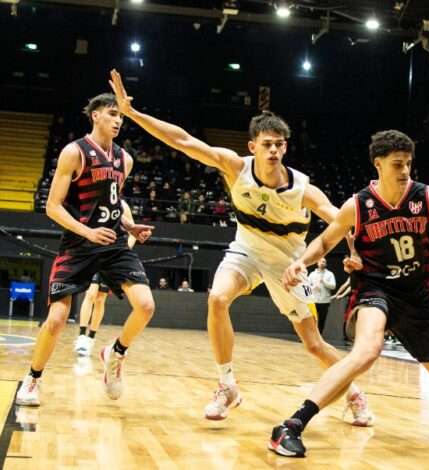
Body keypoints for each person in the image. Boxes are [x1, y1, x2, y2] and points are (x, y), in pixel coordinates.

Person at [109, 69, 373, 425]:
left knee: (313, 345)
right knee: (217, 299)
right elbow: (183, 141)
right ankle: (226, 385)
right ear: (253, 147)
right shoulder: (236, 168)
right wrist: (133, 114)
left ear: (286, 147)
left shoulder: (303, 189)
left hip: (288, 265)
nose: (274, 150)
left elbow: (339, 219)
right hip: (246, 251)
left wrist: (355, 252)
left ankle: (353, 392)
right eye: (267, 144)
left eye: (280, 144)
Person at [271, 130, 429, 457]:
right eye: (397, 164)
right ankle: (291, 425)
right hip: (376, 290)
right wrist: (300, 262)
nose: (405, 171)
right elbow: (325, 241)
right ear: (378, 164)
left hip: (418, 299)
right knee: (367, 351)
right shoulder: (359, 204)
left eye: (408, 163)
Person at [15, 93, 155, 407]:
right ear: (95, 116)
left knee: (145, 306)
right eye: (112, 114)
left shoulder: (125, 159)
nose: (118, 120)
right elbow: (52, 207)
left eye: (121, 116)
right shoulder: (74, 152)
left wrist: (129, 226)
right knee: (57, 319)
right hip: (79, 244)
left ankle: (115, 355)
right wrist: (88, 232)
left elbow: (114, 200)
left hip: (113, 243)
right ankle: (33, 379)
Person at [74, 200, 138, 357]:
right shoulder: (97, 199)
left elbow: (133, 233)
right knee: (90, 294)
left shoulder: (123, 205)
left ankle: (91, 338)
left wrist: (123, 251)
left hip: (113, 256)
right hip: (94, 254)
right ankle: (82, 335)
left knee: (101, 299)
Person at [308, 258, 336, 334]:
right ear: (317, 263)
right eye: (320, 261)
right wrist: (313, 287)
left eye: (324, 262)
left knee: (322, 320)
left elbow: (333, 286)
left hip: (324, 301)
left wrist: (324, 282)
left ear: (326, 264)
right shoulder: (312, 274)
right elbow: (306, 286)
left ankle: (319, 336)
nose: (322, 263)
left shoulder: (330, 274)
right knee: (311, 319)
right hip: (313, 300)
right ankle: (310, 336)